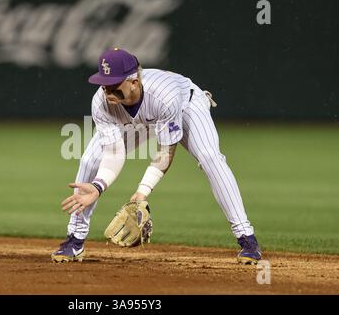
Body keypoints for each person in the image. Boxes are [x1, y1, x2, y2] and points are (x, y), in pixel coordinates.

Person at [51, 48, 261, 264]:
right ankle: (74, 240)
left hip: (186, 106)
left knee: (210, 158)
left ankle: (247, 239)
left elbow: (165, 153)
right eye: (104, 85)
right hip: (145, 119)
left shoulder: (163, 96)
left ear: (134, 81)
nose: (107, 91)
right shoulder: (102, 103)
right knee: (90, 159)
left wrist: (142, 192)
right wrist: (97, 187)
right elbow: (114, 152)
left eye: (114, 84)